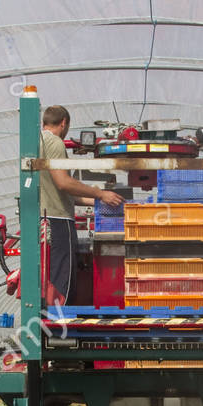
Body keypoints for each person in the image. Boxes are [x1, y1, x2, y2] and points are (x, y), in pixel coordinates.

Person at [40, 105, 123, 305]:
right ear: (64, 123)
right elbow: (64, 182)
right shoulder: (55, 143)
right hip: (58, 219)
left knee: (50, 272)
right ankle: (59, 317)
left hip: (46, 217)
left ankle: (50, 313)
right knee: (63, 274)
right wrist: (100, 193)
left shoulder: (37, 142)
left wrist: (100, 200)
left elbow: (64, 191)